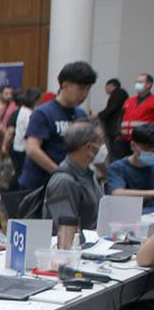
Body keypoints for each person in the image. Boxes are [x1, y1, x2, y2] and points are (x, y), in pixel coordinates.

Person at [19, 62, 96, 190]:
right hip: (39, 184)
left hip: (67, 184)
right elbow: (32, 149)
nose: (85, 94)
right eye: (81, 88)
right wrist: (60, 172)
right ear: (64, 85)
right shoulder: (43, 113)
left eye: (88, 89)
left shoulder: (81, 114)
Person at [43, 119, 105, 231]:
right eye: (101, 141)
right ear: (89, 148)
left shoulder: (88, 174)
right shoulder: (63, 181)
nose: (103, 146)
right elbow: (65, 230)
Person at [107, 123, 154, 213]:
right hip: (130, 217)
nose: (151, 153)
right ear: (133, 145)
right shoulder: (118, 168)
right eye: (147, 148)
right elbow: (117, 194)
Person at [6, 87, 43, 189]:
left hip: (19, 146)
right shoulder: (29, 113)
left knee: (19, 172)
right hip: (22, 147)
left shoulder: (23, 110)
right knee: (19, 172)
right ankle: (11, 194)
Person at [118, 73, 154, 159]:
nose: (137, 84)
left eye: (140, 82)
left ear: (149, 85)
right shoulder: (128, 101)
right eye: (136, 82)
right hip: (125, 141)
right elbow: (121, 118)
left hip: (144, 142)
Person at [99, 78, 129, 161]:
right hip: (115, 129)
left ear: (111, 85)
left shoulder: (118, 93)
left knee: (116, 154)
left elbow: (111, 109)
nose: (105, 89)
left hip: (116, 129)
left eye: (106, 87)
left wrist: (98, 115)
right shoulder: (118, 94)